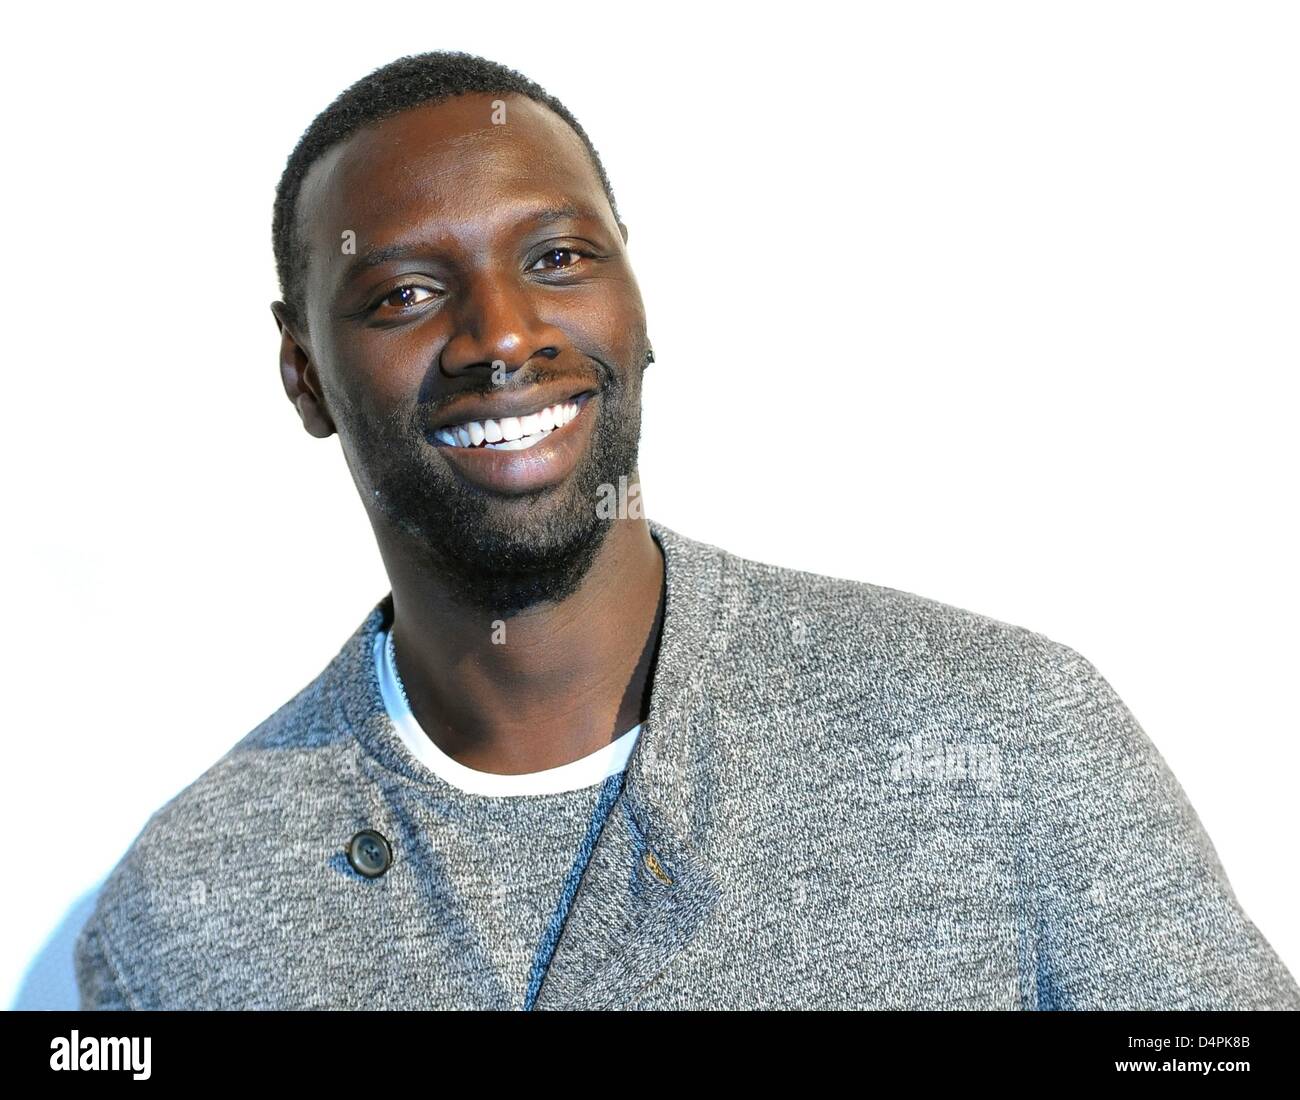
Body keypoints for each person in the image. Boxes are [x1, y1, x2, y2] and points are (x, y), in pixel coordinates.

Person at [75, 49, 1299, 1011]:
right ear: (303, 375)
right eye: (404, 292)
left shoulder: (1002, 730)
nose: (502, 333)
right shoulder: (185, 906)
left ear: (636, 303)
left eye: (556, 258)